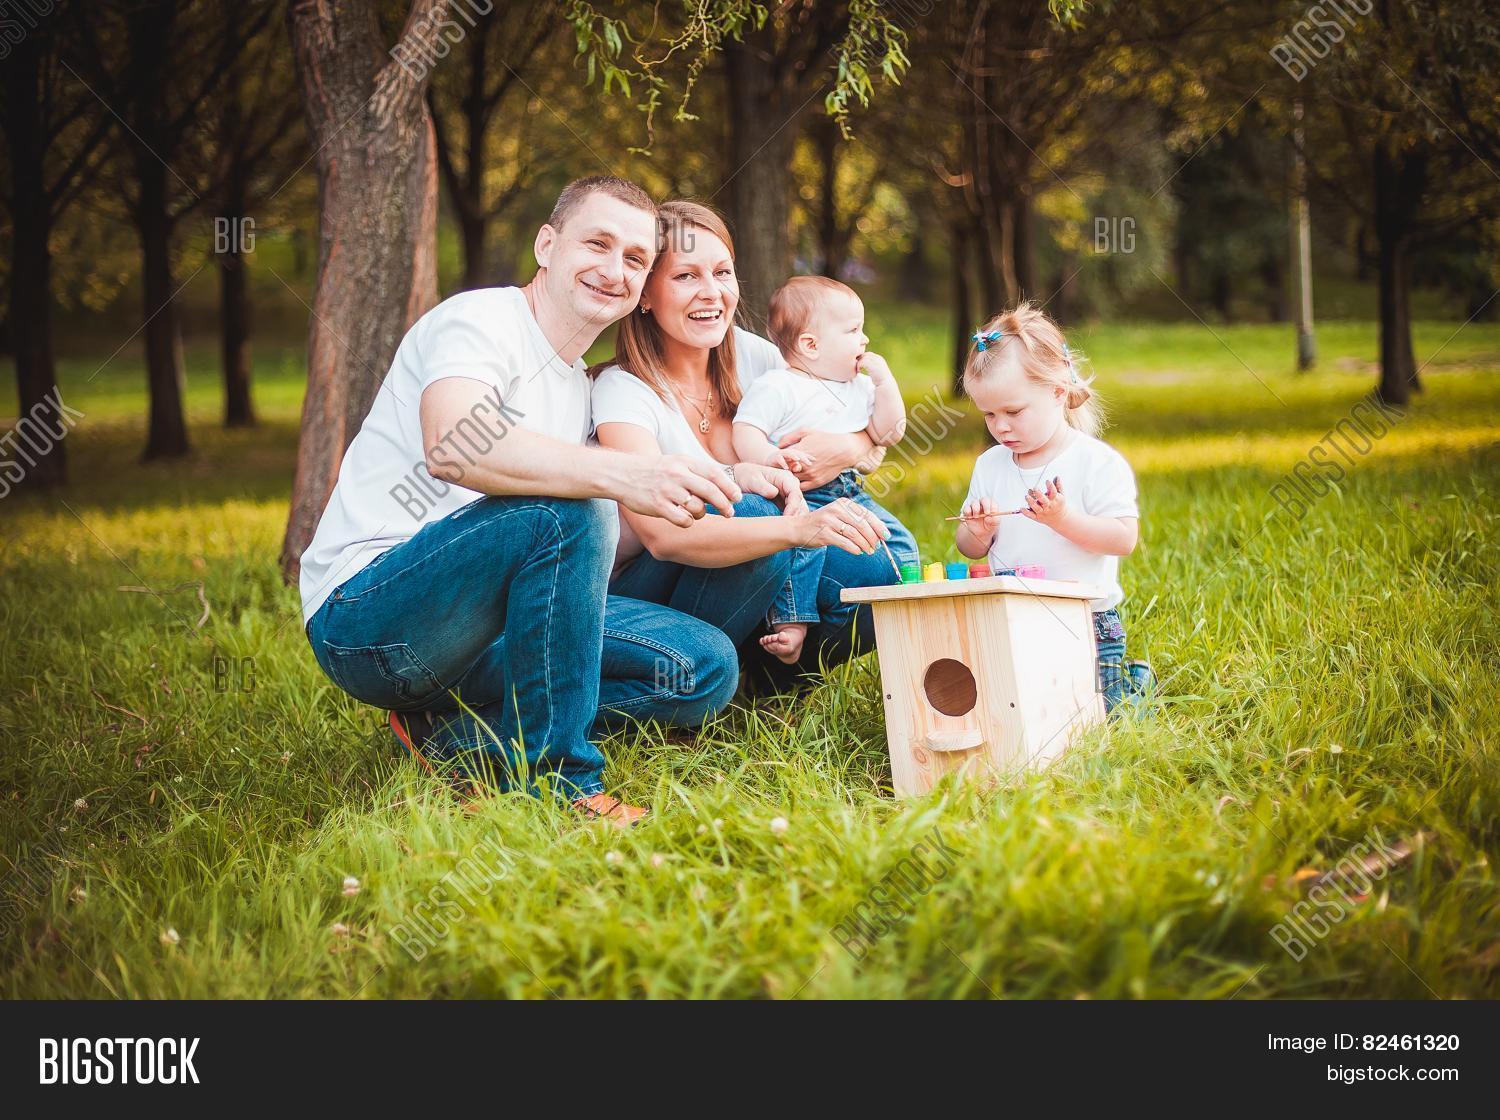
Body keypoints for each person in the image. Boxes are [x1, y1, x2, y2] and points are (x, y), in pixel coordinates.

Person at [300, 177, 763, 826]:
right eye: (597, 244)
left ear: (641, 288)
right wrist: (622, 475)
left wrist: (706, 490)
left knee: (702, 667)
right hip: (373, 622)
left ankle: (457, 737)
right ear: (547, 245)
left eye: (635, 258)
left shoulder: (577, 386)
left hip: (487, 630)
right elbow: (454, 446)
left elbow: (589, 547)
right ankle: (560, 783)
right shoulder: (480, 321)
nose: (614, 269)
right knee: (570, 504)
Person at [589, 201, 915, 692]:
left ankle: (766, 679)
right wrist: (798, 528)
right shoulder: (623, 390)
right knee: (751, 508)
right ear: (646, 294)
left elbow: (870, 443)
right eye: (686, 276)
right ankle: (689, 671)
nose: (712, 292)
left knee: (875, 568)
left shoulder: (757, 357)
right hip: (654, 591)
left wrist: (850, 445)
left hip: (755, 572)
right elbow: (664, 538)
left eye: (722, 272)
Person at [954, 303, 1155, 714]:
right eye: (989, 414)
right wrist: (978, 531)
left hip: (1086, 620)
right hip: (1011, 618)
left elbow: (1123, 539)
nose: (1001, 426)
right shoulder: (989, 465)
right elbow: (968, 548)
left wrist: (1063, 519)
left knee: (1099, 714)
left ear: (1058, 392)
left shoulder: (1094, 462)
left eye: (1014, 411)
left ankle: (1136, 683)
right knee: (1019, 710)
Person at [732, 275, 911, 663]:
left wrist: (884, 382)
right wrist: (770, 458)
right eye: (853, 330)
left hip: (849, 490)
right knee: (803, 552)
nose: (864, 339)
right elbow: (746, 430)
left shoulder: (859, 387)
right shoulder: (778, 386)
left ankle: (906, 606)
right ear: (810, 345)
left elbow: (889, 432)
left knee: (900, 543)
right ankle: (791, 623)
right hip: (800, 493)